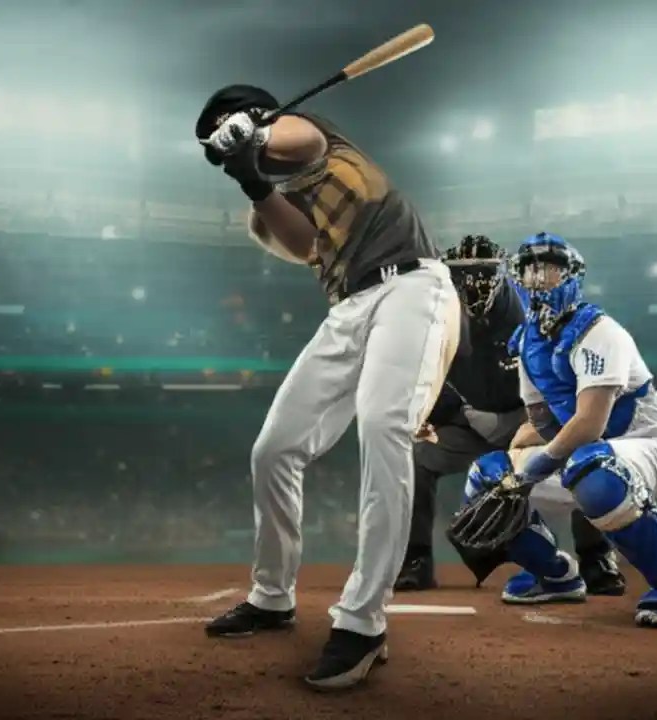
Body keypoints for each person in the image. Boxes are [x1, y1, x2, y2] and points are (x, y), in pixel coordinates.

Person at [193, 85, 461, 690]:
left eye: (225, 124)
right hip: (349, 308)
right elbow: (301, 244)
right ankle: (272, 596)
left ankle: (364, 622)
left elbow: (294, 137)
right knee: (275, 448)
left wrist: (254, 135)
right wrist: (250, 179)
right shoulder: (281, 186)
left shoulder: (314, 134)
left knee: (384, 424)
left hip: (411, 286)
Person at [460, 232, 657, 627]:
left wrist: (531, 470)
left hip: (641, 444)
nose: (538, 279)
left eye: (549, 269)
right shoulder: (527, 343)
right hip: (582, 453)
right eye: (530, 270)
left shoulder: (600, 331)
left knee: (593, 471)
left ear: (570, 276)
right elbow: (545, 422)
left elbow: (591, 424)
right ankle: (555, 575)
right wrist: (519, 457)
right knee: (487, 478)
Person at [395, 234, 626, 599]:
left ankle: (596, 558)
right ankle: (415, 559)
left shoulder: (535, 307)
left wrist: (548, 420)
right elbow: (422, 371)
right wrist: (434, 414)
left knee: (582, 452)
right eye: (463, 275)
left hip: (529, 418)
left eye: (483, 273)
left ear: (504, 273)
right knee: (417, 458)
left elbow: (564, 373)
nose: (473, 283)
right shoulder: (434, 312)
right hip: (466, 421)